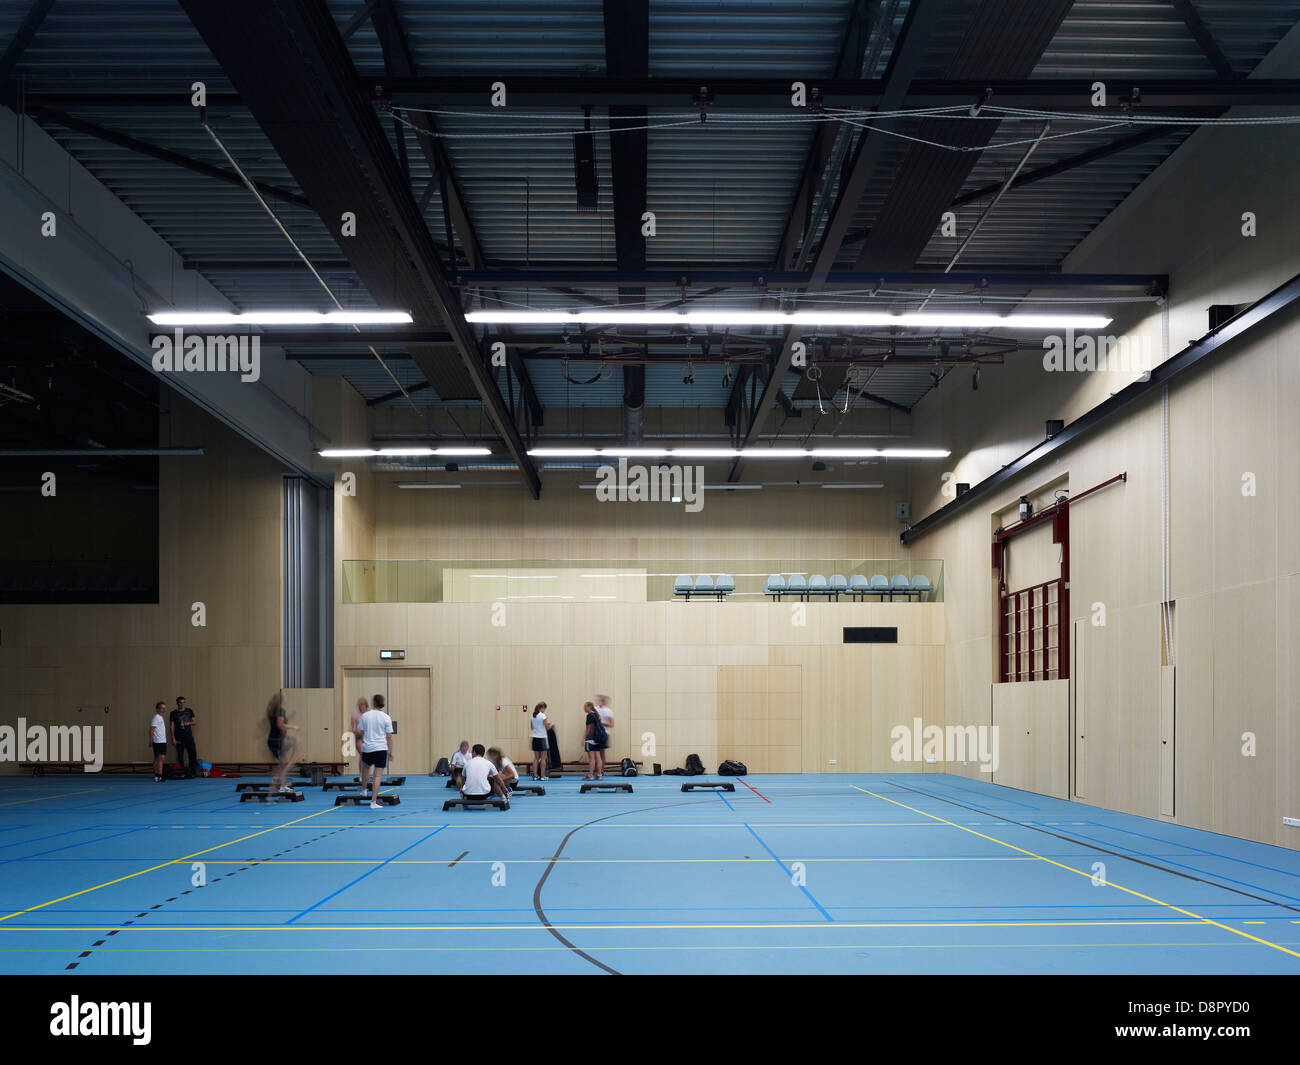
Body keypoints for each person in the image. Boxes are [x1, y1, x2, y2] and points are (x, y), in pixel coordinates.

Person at [357, 696, 395, 811]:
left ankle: (364, 791)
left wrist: (367, 740)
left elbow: (361, 731)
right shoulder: (386, 717)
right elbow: (389, 737)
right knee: (377, 776)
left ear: (373, 703)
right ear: (382, 704)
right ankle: (373, 802)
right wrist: (390, 752)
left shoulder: (365, 716)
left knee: (365, 770)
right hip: (380, 749)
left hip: (368, 748)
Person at [266, 693, 300, 794]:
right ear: (281, 700)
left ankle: (280, 783)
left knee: (283, 764)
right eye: (284, 697)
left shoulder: (276, 711)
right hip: (276, 741)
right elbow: (280, 725)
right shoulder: (280, 711)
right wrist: (293, 727)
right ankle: (281, 784)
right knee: (286, 762)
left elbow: (280, 724)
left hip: (273, 740)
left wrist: (290, 718)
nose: (286, 699)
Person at [170, 696, 198, 778]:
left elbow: (194, 721)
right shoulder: (173, 713)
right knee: (180, 755)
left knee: (192, 753)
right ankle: (181, 772)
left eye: (183, 702)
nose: (182, 704)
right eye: (180, 703)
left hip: (188, 736)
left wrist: (188, 723)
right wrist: (173, 738)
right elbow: (172, 726)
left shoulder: (189, 711)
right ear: (177, 703)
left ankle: (192, 771)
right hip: (178, 737)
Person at [582, 701, 607, 780]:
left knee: (592, 758)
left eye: (585, 707)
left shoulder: (589, 716)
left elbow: (588, 729)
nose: (584, 708)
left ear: (589, 707)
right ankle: (599, 774)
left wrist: (584, 738)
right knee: (598, 757)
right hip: (597, 739)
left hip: (591, 739)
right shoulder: (596, 715)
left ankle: (590, 775)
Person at [351, 696, 369, 793]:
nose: (361, 707)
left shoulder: (369, 714)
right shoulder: (355, 715)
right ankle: (361, 774)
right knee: (362, 754)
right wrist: (356, 731)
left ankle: (366, 775)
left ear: (366, 705)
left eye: (362, 705)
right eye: (359, 705)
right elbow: (353, 728)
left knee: (367, 756)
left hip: (367, 737)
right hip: (358, 737)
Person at [528, 702, 550, 780]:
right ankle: (542, 776)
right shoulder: (543, 716)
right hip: (542, 738)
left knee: (536, 758)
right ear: (542, 708)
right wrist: (551, 725)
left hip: (535, 738)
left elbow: (532, 728)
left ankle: (535, 775)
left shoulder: (532, 716)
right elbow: (547, 727)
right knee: (543, 758)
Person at [149, 702, 168, 782]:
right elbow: (151, 729)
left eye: (164, 708)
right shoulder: (156, 717)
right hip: (158, 741)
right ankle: (159, 775)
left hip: (162, 741)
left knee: (157, 758)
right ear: (157, 709)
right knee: (160, 758)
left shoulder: (160, 717)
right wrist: (151, 740)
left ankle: (157, 775)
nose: (163, 710)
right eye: (161, 708)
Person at [594, 694, 614, 766]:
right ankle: (596, 770)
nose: (598, 702)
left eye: (599, 700)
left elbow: (611, 724)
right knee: (595, 752)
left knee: (602, 752)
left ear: (603, 702)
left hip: (604, 734)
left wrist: (601, 723)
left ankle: (601, 770)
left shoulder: (608, 711)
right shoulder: (595, 709)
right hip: (595, 733)